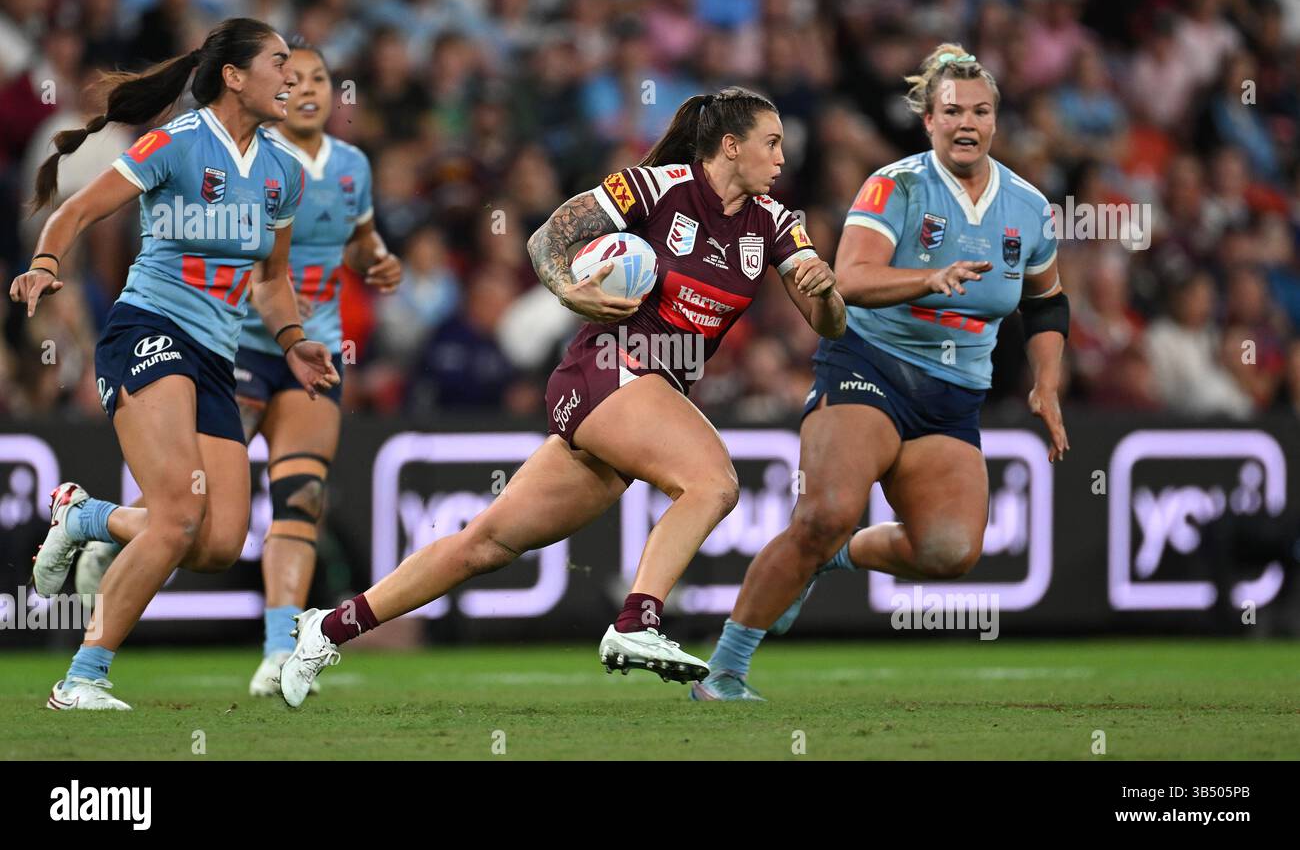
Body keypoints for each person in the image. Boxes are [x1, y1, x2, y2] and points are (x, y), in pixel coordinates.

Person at [277, 87, 847, 706]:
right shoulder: (657, 187)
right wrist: (573, 293)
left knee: (486, 543)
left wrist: (826, 291)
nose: (783, 158)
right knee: (712, 482)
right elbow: (548, 239)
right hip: (608, 368)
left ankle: (327, 629)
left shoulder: (777, 222)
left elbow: (827, 324)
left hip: (645, 393)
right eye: (772, 143)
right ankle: (637, 622)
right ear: (731, 146)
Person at [692, 45, 1070, 701]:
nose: (966, 122)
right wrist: (930, 277)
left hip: (954, 394)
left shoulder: (1030, 207)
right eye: (952, 111)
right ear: (928, 120)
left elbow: (1047, 301)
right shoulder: (894, 186)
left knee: (950, 551)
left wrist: (1046, 381)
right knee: (825, 512)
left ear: (995, 121)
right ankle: (724, 671)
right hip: (870, 366)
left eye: (980, 110)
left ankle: (831, 559)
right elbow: (852, 279)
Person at [11, 18, 338, 710]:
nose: (293, 76)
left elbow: (272, 278)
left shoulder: (282, 172)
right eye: (280, 62)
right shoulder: (176, 143)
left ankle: (84, 518)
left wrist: (290, 341)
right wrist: (44, 263)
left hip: (218, 355)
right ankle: (83, 677)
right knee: (177, 515)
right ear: (234, 76)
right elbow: (75, 211)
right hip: (147, 331)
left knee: (218, 542)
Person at [72, 42, 403, 697]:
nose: (303, 87)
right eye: (290, 74)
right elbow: (256, 271)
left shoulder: (350, 168)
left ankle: (278, 652)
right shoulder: (215, 150)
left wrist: (377, 262)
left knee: (297, 498)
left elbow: (361, 243)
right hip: (235, 346)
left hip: (316, 345)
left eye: (317, 79)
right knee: (186, 508)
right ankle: (94, 535)